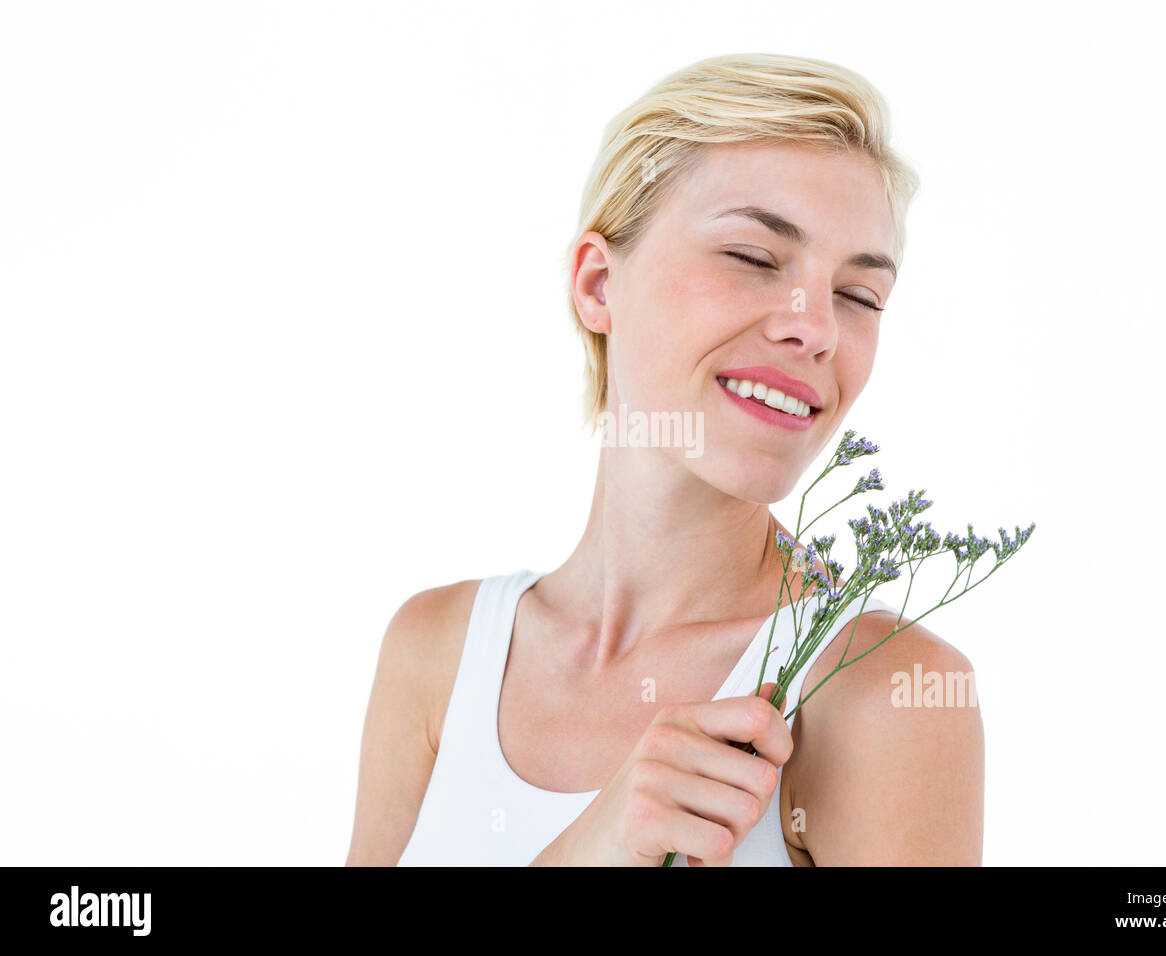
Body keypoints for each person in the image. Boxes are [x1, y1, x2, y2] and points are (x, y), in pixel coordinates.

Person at [345, 52, 983, 867]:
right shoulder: (438, 651)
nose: (815, 327)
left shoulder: (873, 691)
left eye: (859, 296)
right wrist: (589, 847)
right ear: (599, 284)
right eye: (754, 257)